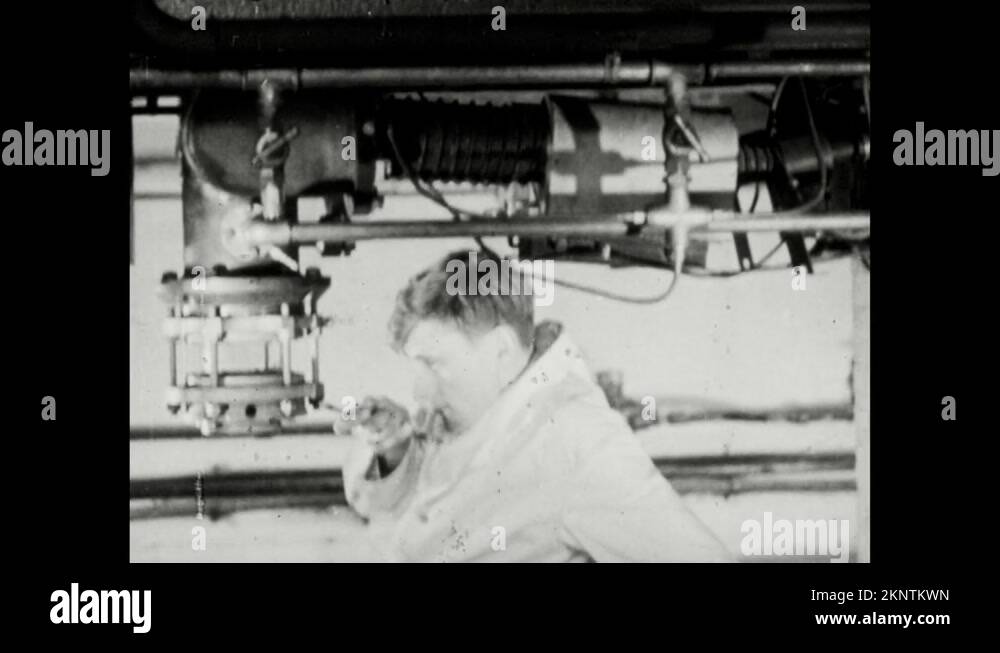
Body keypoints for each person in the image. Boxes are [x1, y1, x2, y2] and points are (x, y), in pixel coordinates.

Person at [338, 248, 732, 562]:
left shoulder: (573, 439)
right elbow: (410, 512)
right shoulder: (475, 411)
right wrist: (393, 453)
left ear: (501, 351)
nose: (420, 391)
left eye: (435, 365)